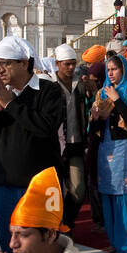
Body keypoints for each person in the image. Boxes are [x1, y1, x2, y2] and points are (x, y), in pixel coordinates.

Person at [0, 36, 66, 253]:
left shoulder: (49, 91)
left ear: (24, 63)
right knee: (11, 244)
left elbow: (45, 128)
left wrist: (10, 104)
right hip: (5, 183)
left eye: (6, 63)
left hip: (40, 183)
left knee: (43, 244)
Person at [90, 51, 127, 253]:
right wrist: (94, 118)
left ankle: (126, 245)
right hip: (106, 148)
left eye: (115, 69)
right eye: (108, 70)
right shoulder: (102, 92)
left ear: (124, 69)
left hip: (126, 148)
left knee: (125, 195)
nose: (111, 73)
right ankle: (114, 241)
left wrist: (117, 99)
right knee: (109, 194)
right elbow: (94, 129)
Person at [54, 43, 88, 232]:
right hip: (54, 145)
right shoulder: (49, 85)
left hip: (76, 142)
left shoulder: (80, 83)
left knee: (78, 188)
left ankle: (67, 223)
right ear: (57, 63)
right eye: (67, 64)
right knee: (55, 190)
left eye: (73, 64)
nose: (71, 68)